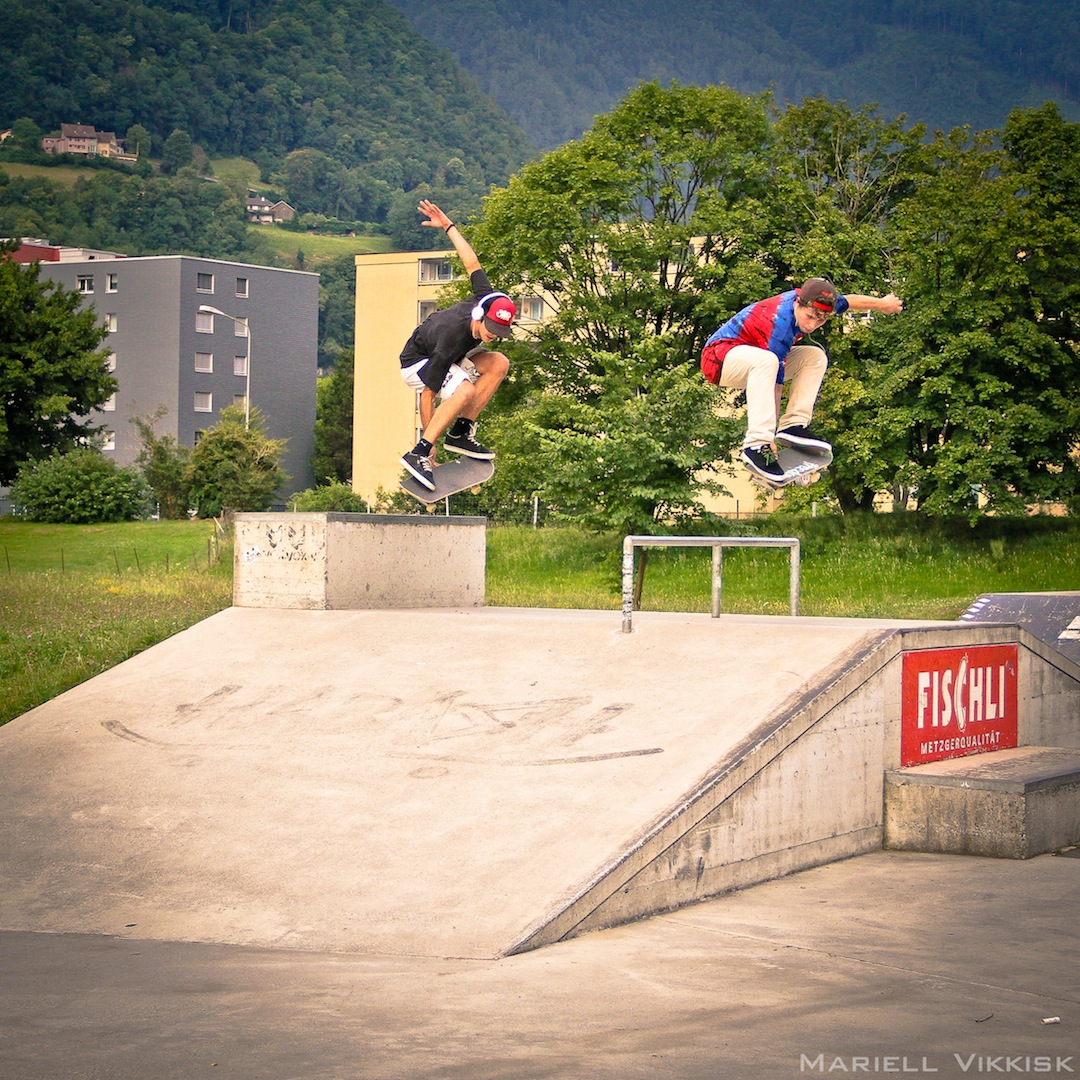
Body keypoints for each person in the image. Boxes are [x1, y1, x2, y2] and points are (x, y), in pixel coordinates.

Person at [700, 278, 904, 484]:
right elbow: (775, 386)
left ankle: (793, 426)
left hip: (752, 359)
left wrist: (883, 304)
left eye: (820, 321)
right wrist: (768, 438)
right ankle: (756, 444)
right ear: (798, 303)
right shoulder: (779, 324)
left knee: (814, 357)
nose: (812, 325)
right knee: (768, 362)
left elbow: (849, 302)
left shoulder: (818, 300)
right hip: (718, 359)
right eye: (809, 317)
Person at [398, 199, 516, 490]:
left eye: (498, 332)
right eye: (489, 329)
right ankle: (417, 454)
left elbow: (471, 262)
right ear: (479, 315)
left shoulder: (486, 298)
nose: (491, 335)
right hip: (419, 362)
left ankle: (461, 433)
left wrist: (448, 226)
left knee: (499, 363)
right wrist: (430, 441)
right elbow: (428, 395)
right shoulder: (449, 338)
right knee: (463, 389)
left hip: (451, 358)